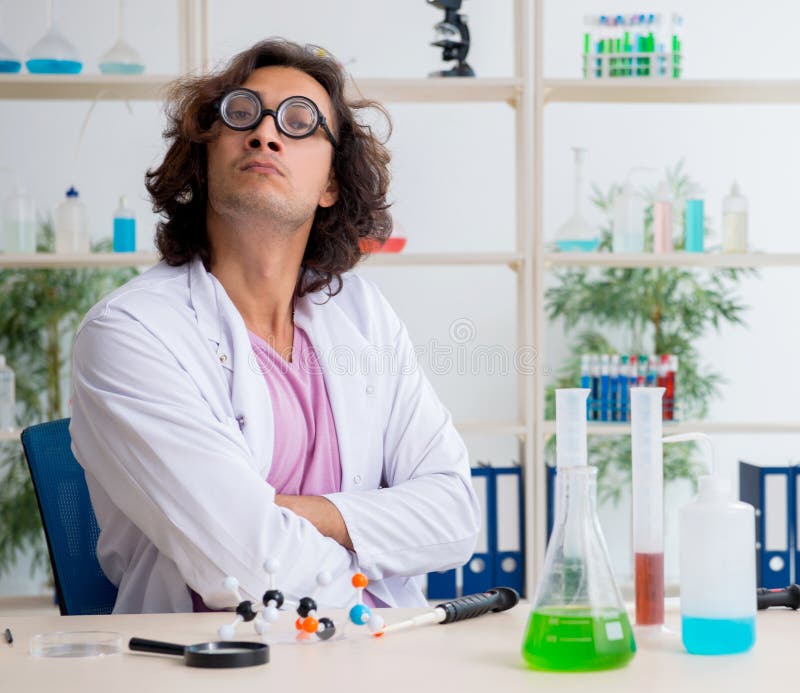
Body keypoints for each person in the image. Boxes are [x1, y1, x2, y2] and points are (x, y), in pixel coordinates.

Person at [70, 38, 480, 613]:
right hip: (214, 661)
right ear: (204, 158)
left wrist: (296, 510)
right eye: (242, 114)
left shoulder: (364, 315)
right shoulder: (131, 333)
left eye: (299, 122)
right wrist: (378, 572)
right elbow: (251, 569)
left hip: (378, 654)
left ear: (331, 183)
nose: (266, 134)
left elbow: (454, 514)